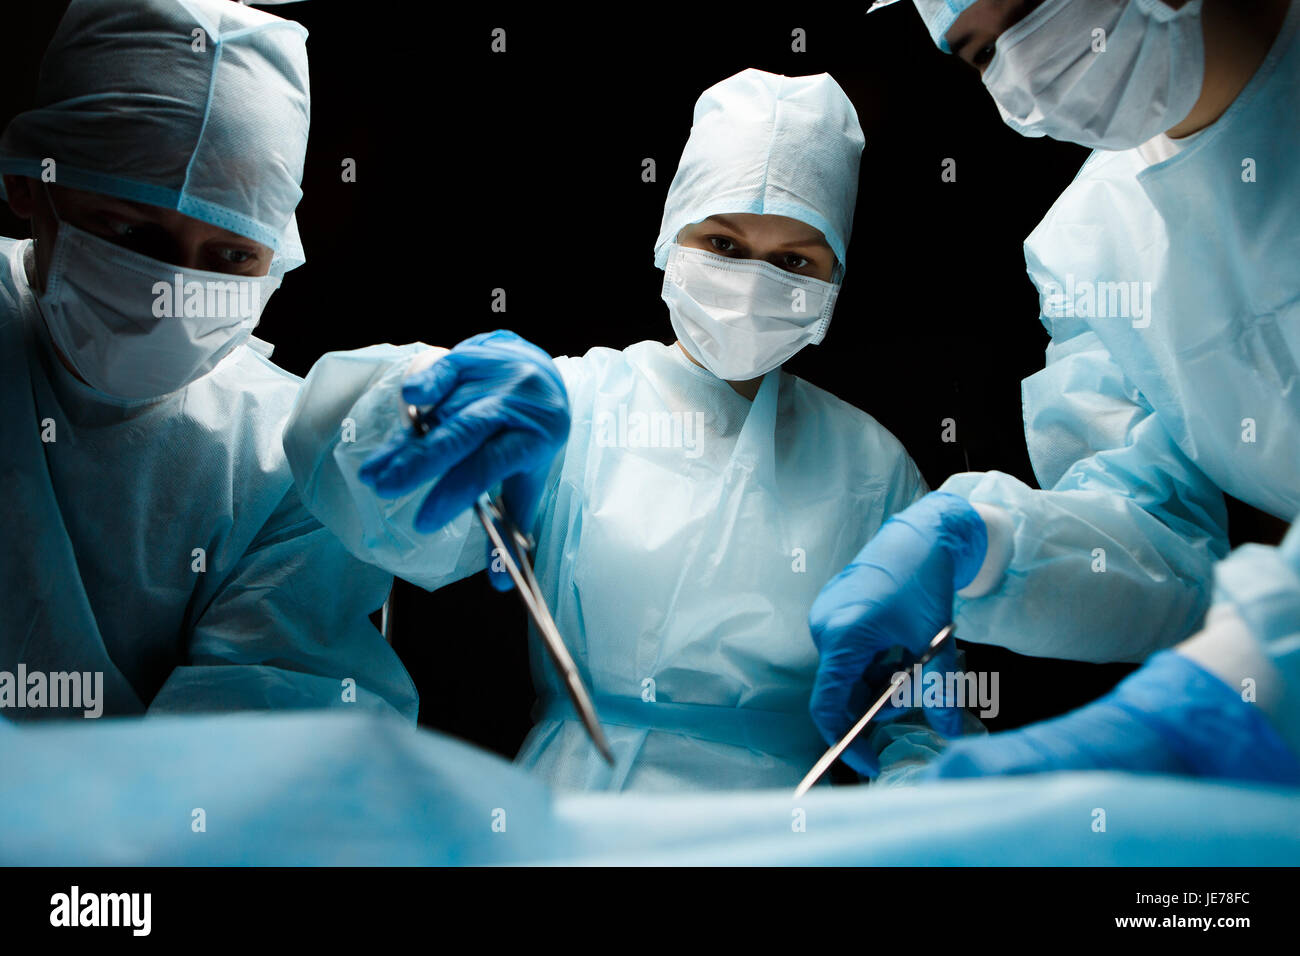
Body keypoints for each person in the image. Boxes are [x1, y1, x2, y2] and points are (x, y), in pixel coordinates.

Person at [284, 68, 975, 792]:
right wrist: (419, 396)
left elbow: (915, 702)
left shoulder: (870, 465)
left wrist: (922, 794)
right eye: (725, 244)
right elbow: (354, 482)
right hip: (581, 799)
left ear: (834, 279)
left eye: (793, 261)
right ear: (672, 238)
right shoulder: (573, 406)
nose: (750, 283)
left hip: (778, 828)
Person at [807, 0, 1299, 775]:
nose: (1024, 70)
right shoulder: (1093, 241)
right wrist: (990, 546)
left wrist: (1258, 658)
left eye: (1029, 12)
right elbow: (1165, 541)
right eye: (979, 55)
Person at [0, 0, 416, 719]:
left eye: (229, 256)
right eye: (130, 231)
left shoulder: (283, 465)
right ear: (29, 185)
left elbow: (254, 753)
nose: (173, 290)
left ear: (276, 258)